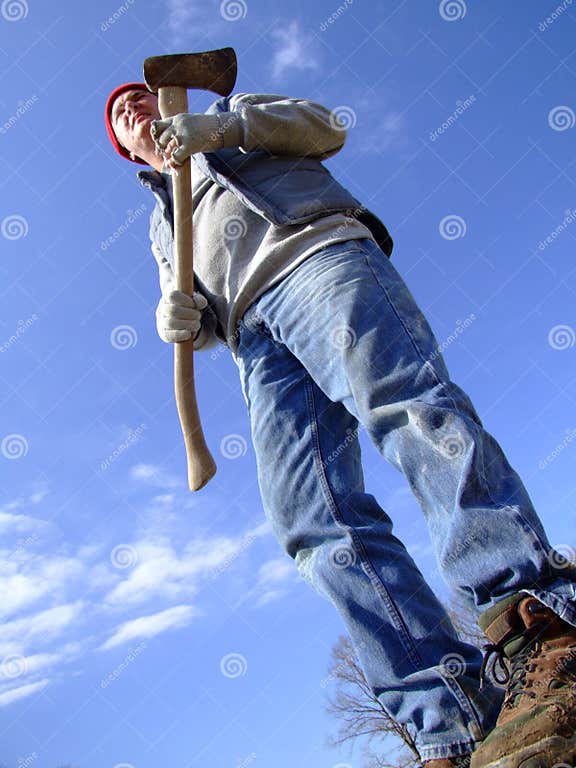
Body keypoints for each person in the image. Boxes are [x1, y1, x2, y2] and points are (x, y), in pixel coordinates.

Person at [104, 82, 576, 768]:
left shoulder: (232, 117)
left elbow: (323, 128)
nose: (134, 109)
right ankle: (450, 717)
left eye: (139, 98)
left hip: (314, 257)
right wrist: (180, 321)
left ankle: (540, 625)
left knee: (412, 414)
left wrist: (220, 128)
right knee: (310, 519)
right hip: (253, 338)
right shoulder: (159, 220)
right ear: (125, 149)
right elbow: (194, 311)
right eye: (120, 115)